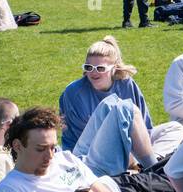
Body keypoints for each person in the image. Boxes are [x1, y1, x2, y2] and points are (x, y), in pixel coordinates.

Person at [58, 35, 156, 172]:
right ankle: (154, 169)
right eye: (88, 67)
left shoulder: (127, 84)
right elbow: (82, 142)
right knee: (122, 107)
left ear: (114, 68)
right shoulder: (73, 93)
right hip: (88, 156)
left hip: (131, 147)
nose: (93, 72)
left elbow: (145, 126)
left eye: (100, 68)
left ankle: (140, 165)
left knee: (174, 128)